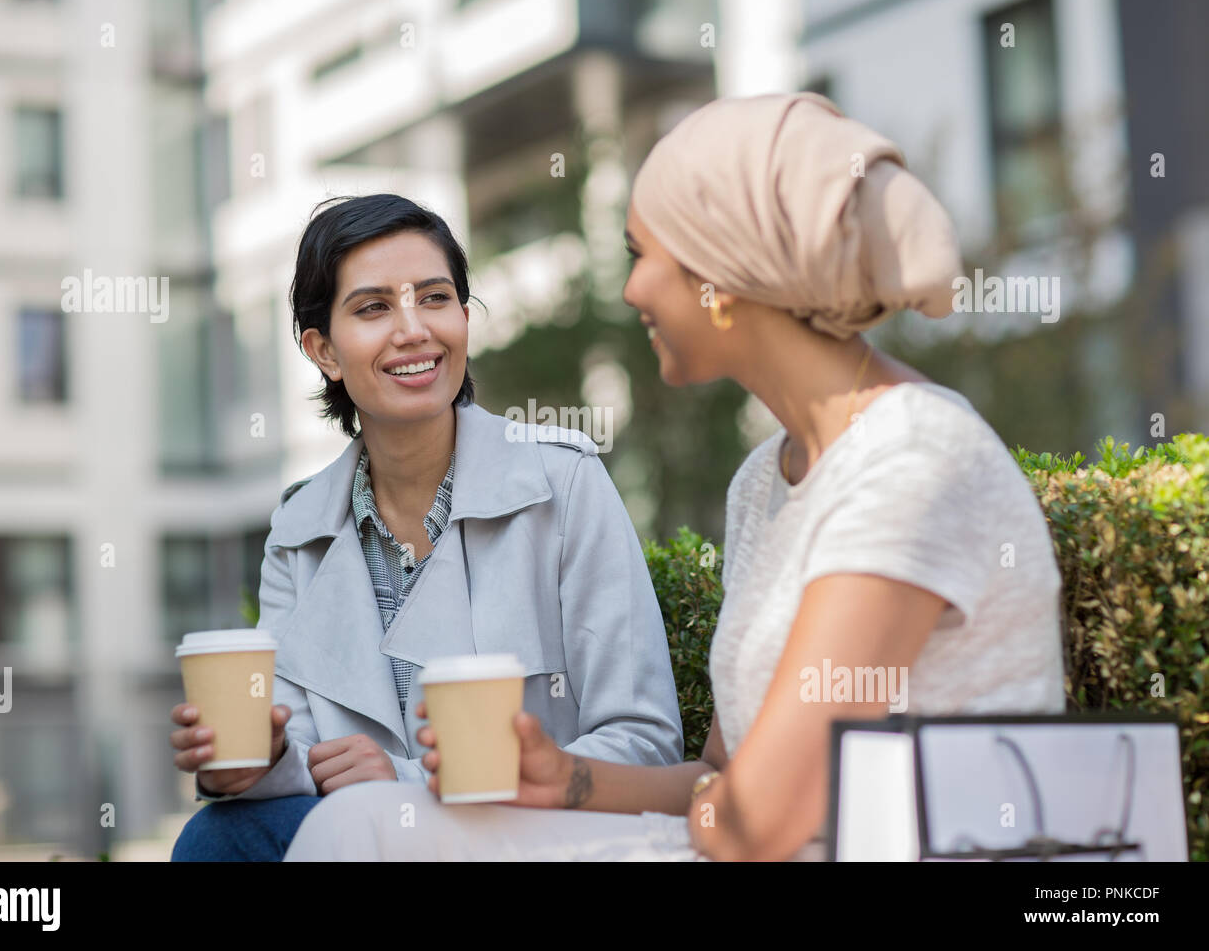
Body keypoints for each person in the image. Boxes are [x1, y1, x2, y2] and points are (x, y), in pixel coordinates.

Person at [281, 92, 1067, 862]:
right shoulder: (768, 479)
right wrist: (565, 779)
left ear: (718, 279)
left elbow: (756, 825)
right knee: (360, 827)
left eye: (642, 256)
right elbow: (718, 783)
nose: (632, 291)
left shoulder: (910, 460)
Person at [169, 194, 684, 861]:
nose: (414, 330)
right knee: (218, 837)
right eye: (374, 307)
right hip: (358, 844)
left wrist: (407, 787)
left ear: (465, 319)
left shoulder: (564, 484)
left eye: (435, 298)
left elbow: (643, 745)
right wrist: (253, 765)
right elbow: (302, 760)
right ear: (322, 349)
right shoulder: (299, 529)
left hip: (529, 840)